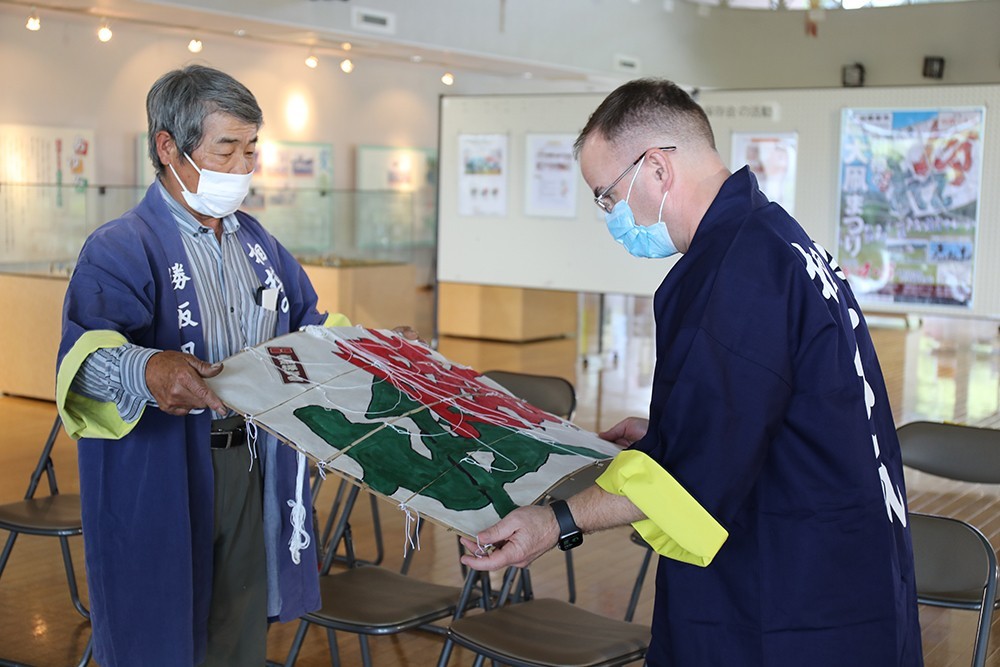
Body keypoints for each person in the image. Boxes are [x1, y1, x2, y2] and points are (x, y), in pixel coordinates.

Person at [460, 79, 923, 666]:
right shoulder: (773, 236)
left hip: (791, 596)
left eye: (607, 196)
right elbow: (760, 410)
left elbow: (692, 480)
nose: (611, 217)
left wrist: (556, 523)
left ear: (656, 167)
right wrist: (668, 432)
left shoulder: (735, 271)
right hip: (842, 566)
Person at [56, 65, 413, 666]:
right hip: (164, 468)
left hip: (249, 461)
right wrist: (147, 371)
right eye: (226, 149)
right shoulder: (121, 246)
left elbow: (307, 329)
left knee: (238, 625)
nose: (243, 167)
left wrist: (372, 348)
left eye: (251, 150)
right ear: (169, 147)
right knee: (158, 626)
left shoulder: (259, 245)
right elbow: (81, 363)